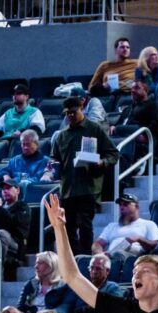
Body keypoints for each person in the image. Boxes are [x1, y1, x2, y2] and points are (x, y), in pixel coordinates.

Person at [51, 97, 118, 255]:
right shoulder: (61, 136)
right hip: (68, 188)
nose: (71, 116)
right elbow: (54, 158)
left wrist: (102, 162)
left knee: (85, 225)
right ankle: (74, 258)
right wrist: (52, 167)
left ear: (82, 108)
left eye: (74, 112)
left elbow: (113, 153)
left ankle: (86, 257)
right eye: (68, 113)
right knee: (68, 227)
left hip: (88, 186)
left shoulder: (94, 129)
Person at [92, 193, 158, 257]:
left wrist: (139, 239)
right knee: (81, 258)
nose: (121, 207)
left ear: (137, 207)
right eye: (120, 205)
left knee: (119, 254)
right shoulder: (111, 226)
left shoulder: (148, 224)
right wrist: (100, 253)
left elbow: (154, 245)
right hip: (110, 255)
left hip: (133, 257)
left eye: (125, 204)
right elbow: (97, 243)